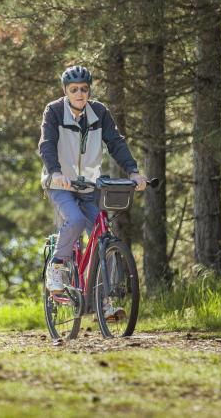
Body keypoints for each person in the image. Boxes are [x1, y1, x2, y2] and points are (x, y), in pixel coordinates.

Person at [39, 65, 147, 319]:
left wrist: (133, 171)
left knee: (103, 237)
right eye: (74, 89)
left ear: (89, 91)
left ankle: (104, 303)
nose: (80, 93)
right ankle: (56, 267)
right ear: (66, 91)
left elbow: (116, 142)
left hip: (89, 186)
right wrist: (55, 172)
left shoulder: (99, 112)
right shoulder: (54, 111)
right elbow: (47, 144)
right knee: (74, 220)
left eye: (84, 89)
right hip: (60, 184)